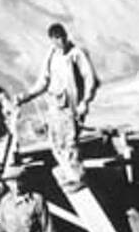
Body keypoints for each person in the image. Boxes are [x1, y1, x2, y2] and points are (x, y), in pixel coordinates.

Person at [17, 23, 98, 174]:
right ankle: (68, 173)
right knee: (56, 144)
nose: (60, 42)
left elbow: (89, 78)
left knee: (70, 144)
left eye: (62, 38)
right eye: (56, 39)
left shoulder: (76, 54)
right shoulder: (51, 55)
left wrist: (85, 101)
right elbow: (43, 81)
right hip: (55, 107)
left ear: (66, 36)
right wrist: (26, 97)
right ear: (52, 40)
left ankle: (77, 177)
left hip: (71, 108)